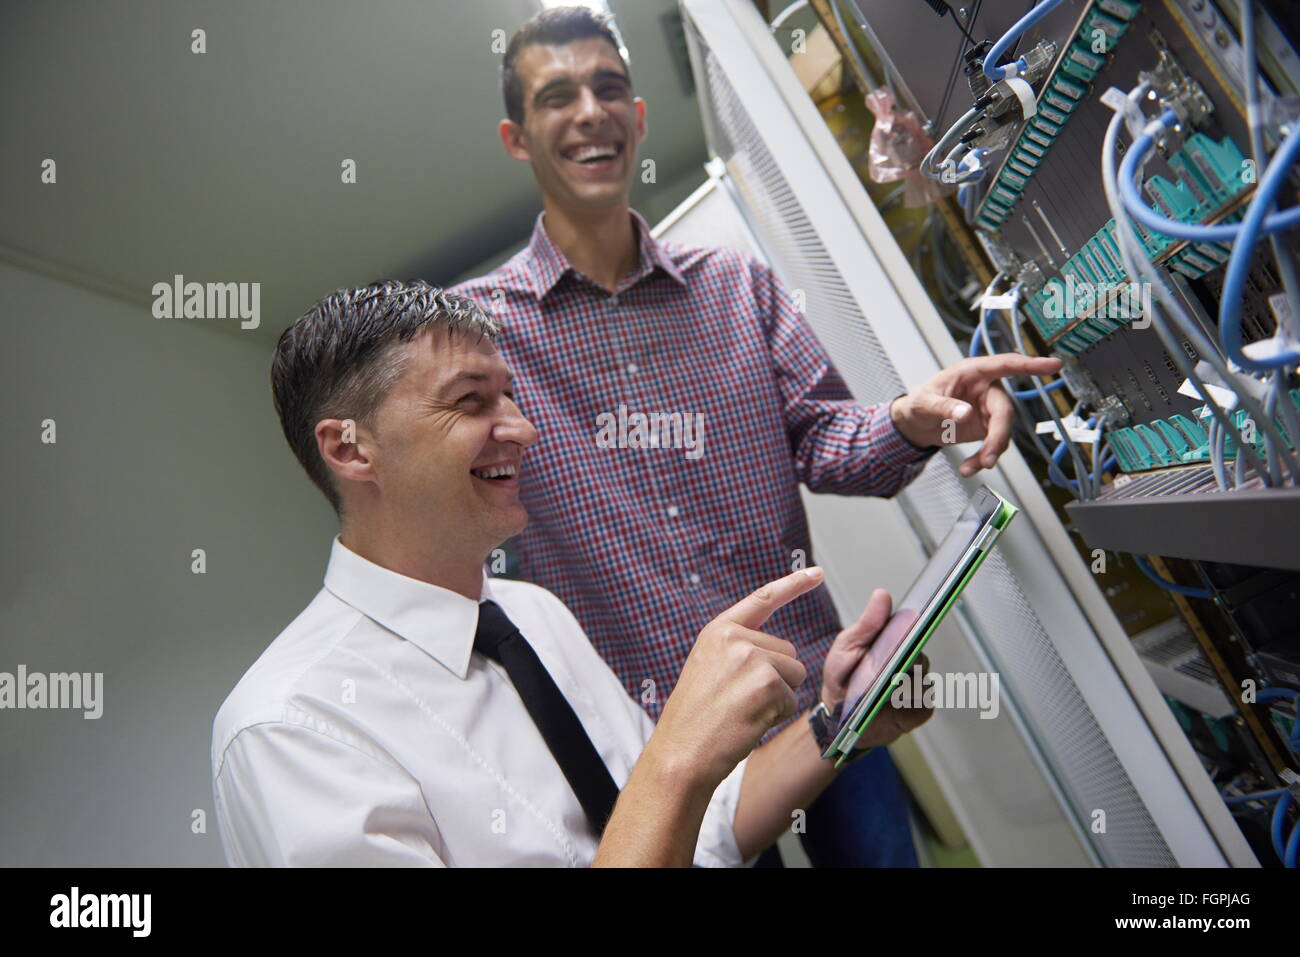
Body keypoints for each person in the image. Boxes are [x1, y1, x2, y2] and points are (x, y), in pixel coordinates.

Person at [449, 6, 1061, 866]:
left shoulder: (737, 285)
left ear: (639, 119)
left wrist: (906, 419)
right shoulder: (479, 337)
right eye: (558, 97)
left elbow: (825, 440)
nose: (590, 110)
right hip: (665, 747)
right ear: (519, 137)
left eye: (610, 88)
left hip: (820, 690)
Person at [211, 281, 934, 867]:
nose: (522, 428)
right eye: (471, 401)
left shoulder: (531, 614)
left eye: (510, 395)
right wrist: (676, 757)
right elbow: (668, 791)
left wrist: (841, 719)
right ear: (351, 448)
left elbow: (700, 830)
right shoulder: (293, 726)